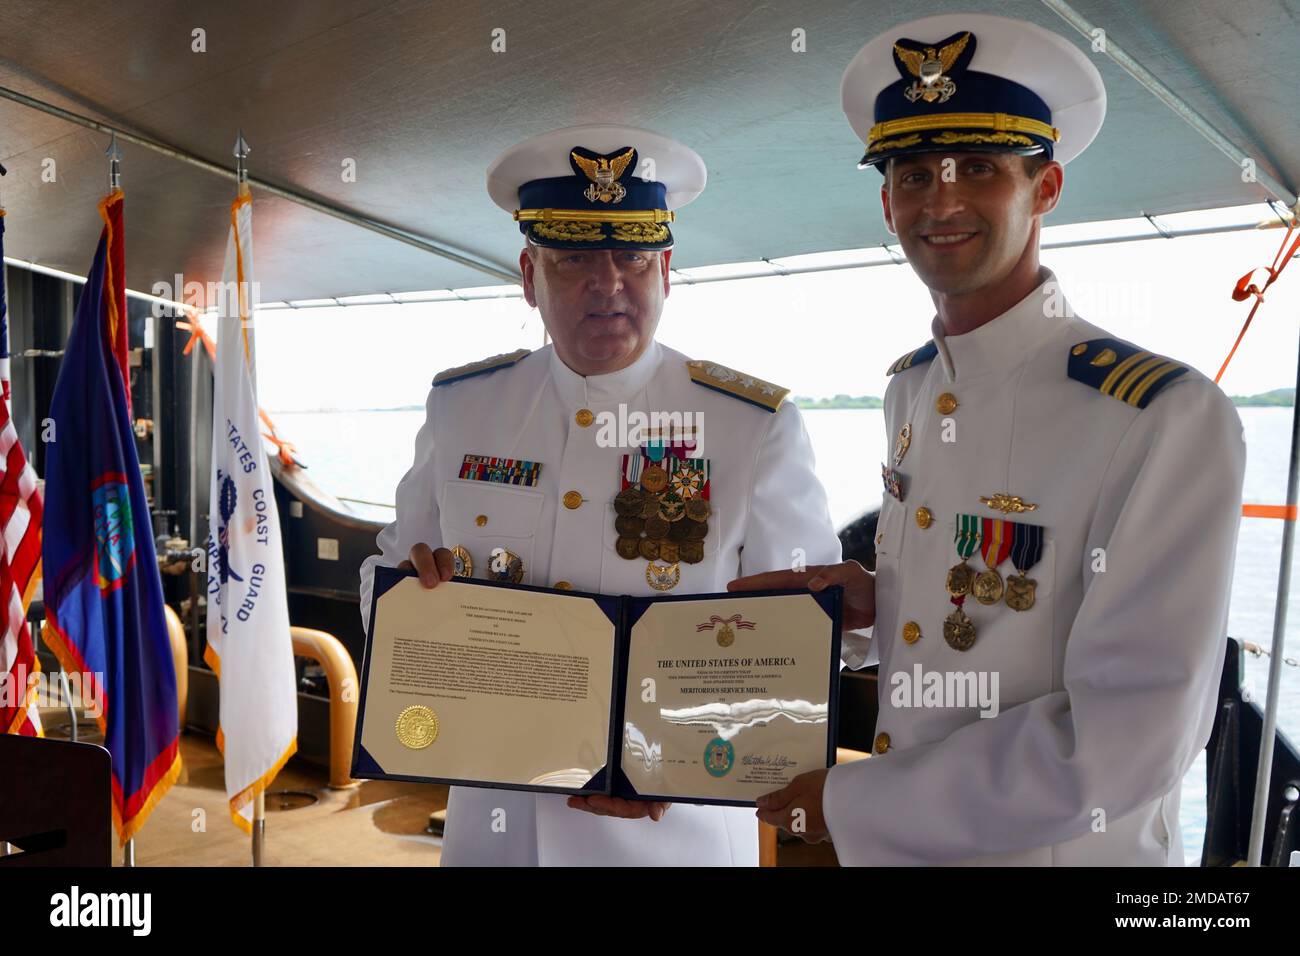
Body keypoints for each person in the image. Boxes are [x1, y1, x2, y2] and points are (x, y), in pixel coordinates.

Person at [728, 12, 1246, 865]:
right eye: (912, 171)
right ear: (885, 199)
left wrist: (852, 803)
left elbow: (1128, 740)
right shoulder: (911, 390)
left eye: (979, 167)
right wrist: (876, 599)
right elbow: (985, 598)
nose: (942, 199)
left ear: (1046, 188)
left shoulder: (1161, 415)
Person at [359, 124, 842, 866]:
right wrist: (412, 601)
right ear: (529, 275)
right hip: (501, 830)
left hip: (676, 835)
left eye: (633, 255)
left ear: (667, 270)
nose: (607, 282)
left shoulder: (752, 427)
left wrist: (682, 764)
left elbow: (804, 644)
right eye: (574, 256)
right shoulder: (464, 408)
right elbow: (384, 578)